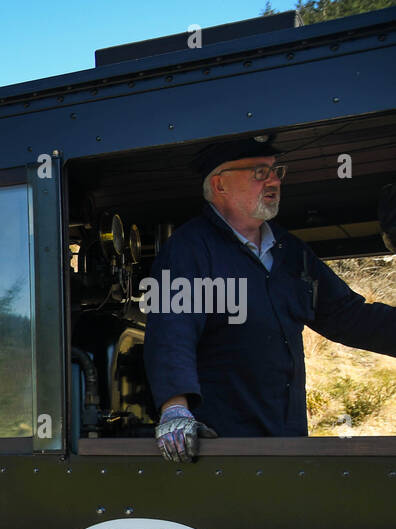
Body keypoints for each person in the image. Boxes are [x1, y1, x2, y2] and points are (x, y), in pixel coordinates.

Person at [144, 137, 396, 461]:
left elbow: (346, 315)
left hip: (287, 441)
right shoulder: (189, 249)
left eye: (276, 171)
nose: (275, 180)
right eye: (260, 173)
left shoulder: (290, 251)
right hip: (222, 449)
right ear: (220, 184)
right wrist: (175, 408)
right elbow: (172, 330)